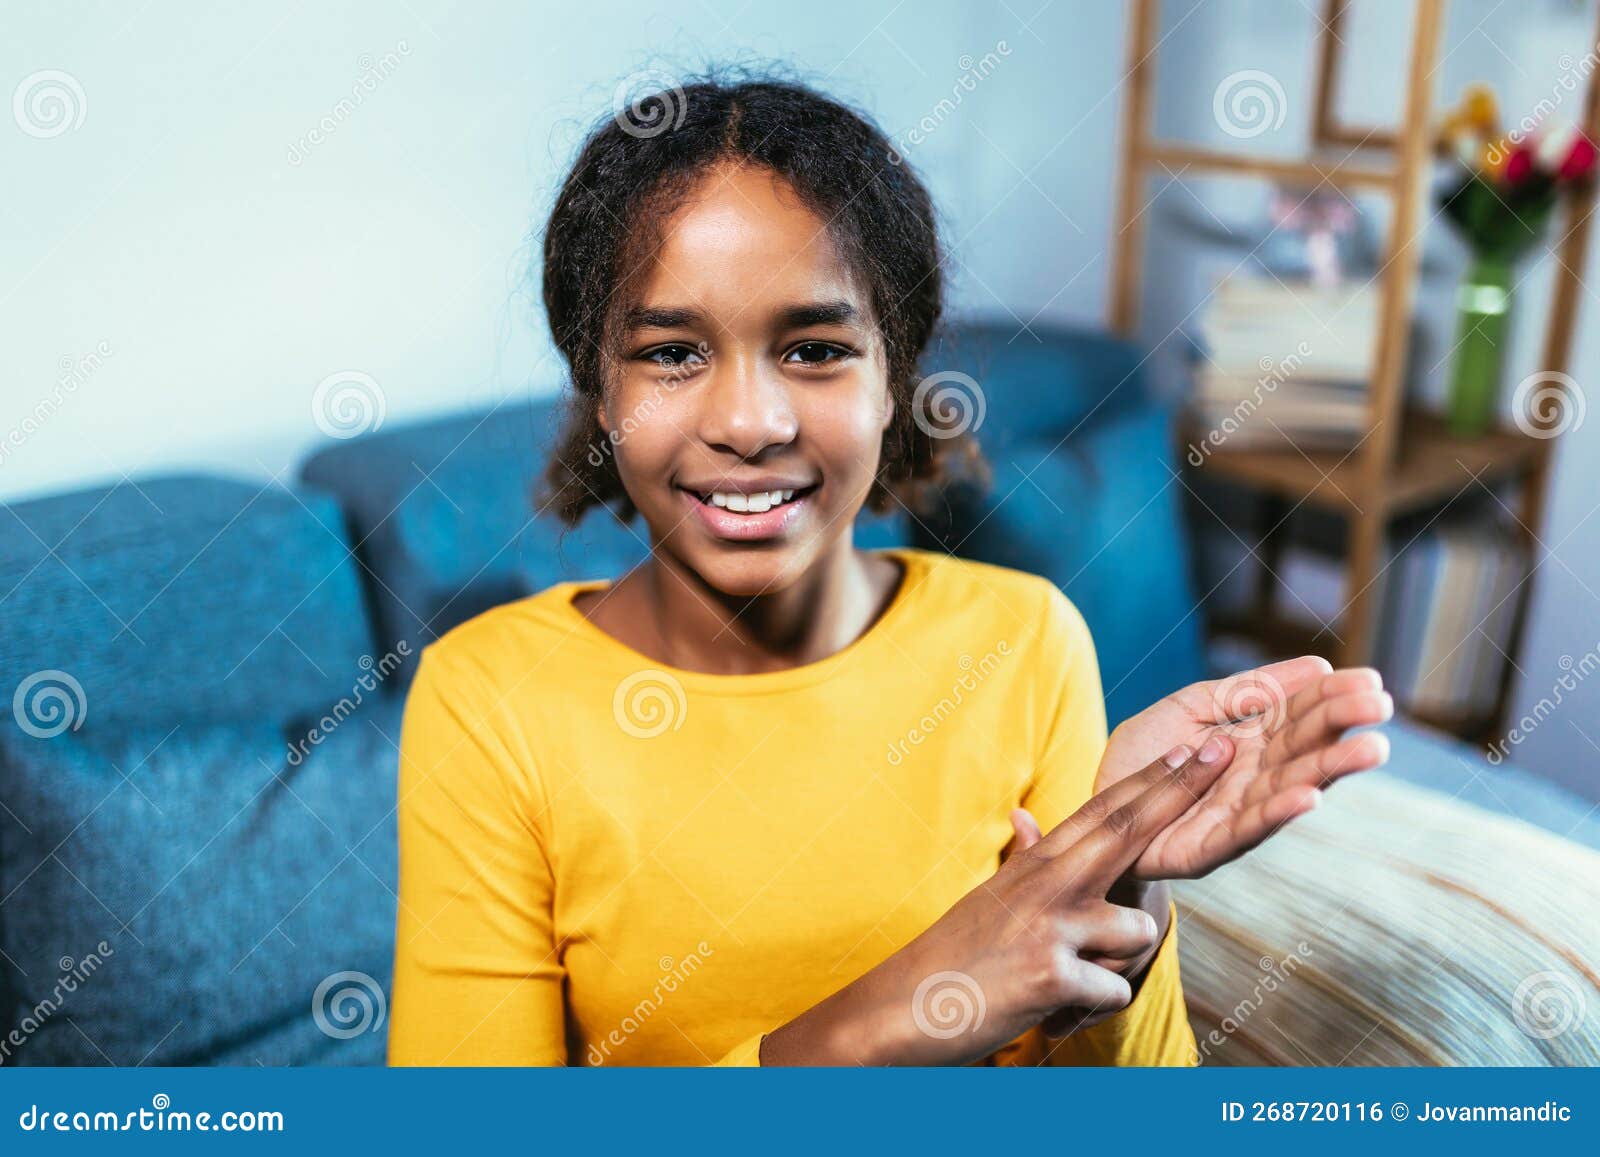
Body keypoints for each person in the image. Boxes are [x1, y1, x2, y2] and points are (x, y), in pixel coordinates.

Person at [387, 75, 1392, 1067]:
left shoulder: (1023, 640)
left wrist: (1115, 874)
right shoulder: (490, 700)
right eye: (674, 354)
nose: (749, 422)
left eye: (815, 348)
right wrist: (897, 1014)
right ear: (600, 392)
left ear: (891, 383)